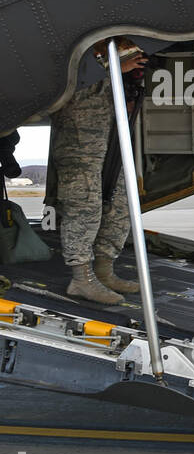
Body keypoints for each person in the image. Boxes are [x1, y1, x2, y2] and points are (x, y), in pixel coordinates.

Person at [47, 39, 148, 305]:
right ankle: (82, 278)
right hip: (78, 128)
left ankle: (104, 270)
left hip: (106, 126)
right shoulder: (67, 32)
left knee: (121, 203)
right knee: (85, 204)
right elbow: (60, 67)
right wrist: (113, 66)